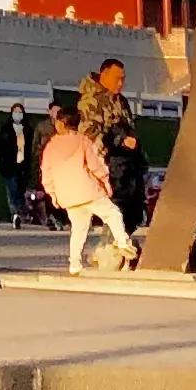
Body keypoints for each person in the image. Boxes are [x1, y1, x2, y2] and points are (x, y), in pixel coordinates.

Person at [41, 93, 131, 274]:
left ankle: (74, 264)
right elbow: (96, 165)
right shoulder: (83, 141)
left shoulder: (51, 146)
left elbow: (47, 174)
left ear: (60, 123)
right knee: (112, 214)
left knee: (79, 230)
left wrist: (54, 195)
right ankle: (122, 243)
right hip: (89, 191)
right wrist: (105, 183)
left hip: (68, 196)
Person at [85, 64, 149, 239]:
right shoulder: (92, 101)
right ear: (104, 75)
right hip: (111, 167)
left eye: (123, 78)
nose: (120, 83)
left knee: (133, 213)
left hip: (129, 167)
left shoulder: (121, 101)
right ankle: (109, 250)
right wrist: (119, 141)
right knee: (116, 212)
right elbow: (90, 134)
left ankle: (118, 248)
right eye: (116, 78)